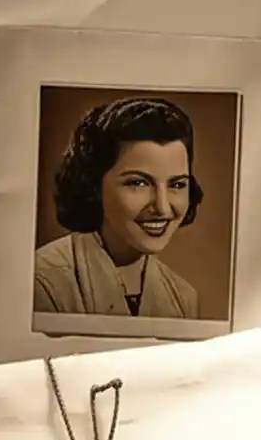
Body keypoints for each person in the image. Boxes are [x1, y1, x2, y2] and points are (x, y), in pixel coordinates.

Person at [34, 97, 203, 318]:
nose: (162, 207)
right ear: (93, 185)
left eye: (177, 184)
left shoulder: (184, 298)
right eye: (138, 183)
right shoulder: (41, 283)